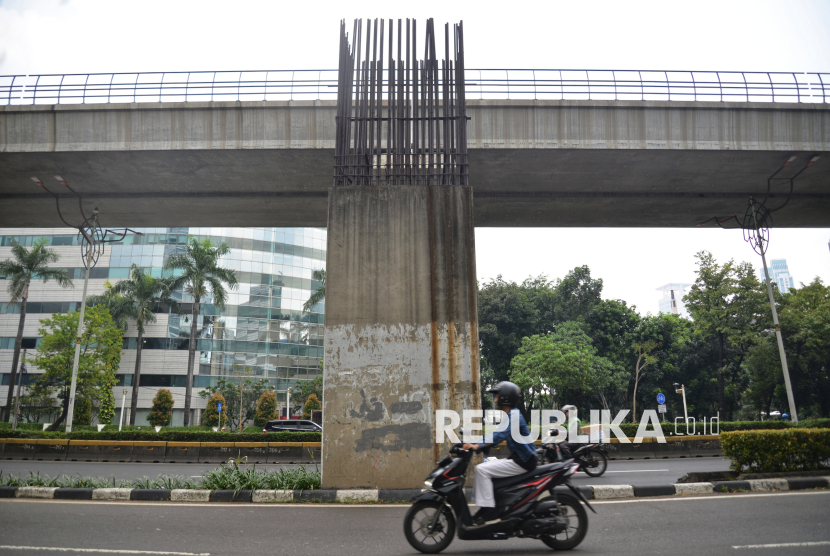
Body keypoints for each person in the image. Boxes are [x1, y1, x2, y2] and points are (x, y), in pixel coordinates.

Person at [461, 381, 537, 525]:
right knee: (485, 469)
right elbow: (495, 435)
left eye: (497, 396)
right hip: (519, 458)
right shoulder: (511, 415)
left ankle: (488, 510)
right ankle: (487, 507)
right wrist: (474, 443)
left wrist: (476, 445)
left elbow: (499, 435)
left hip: (523, 461)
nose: (495, 400)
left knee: (482, 469)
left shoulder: (514, 415)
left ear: (505, 398)